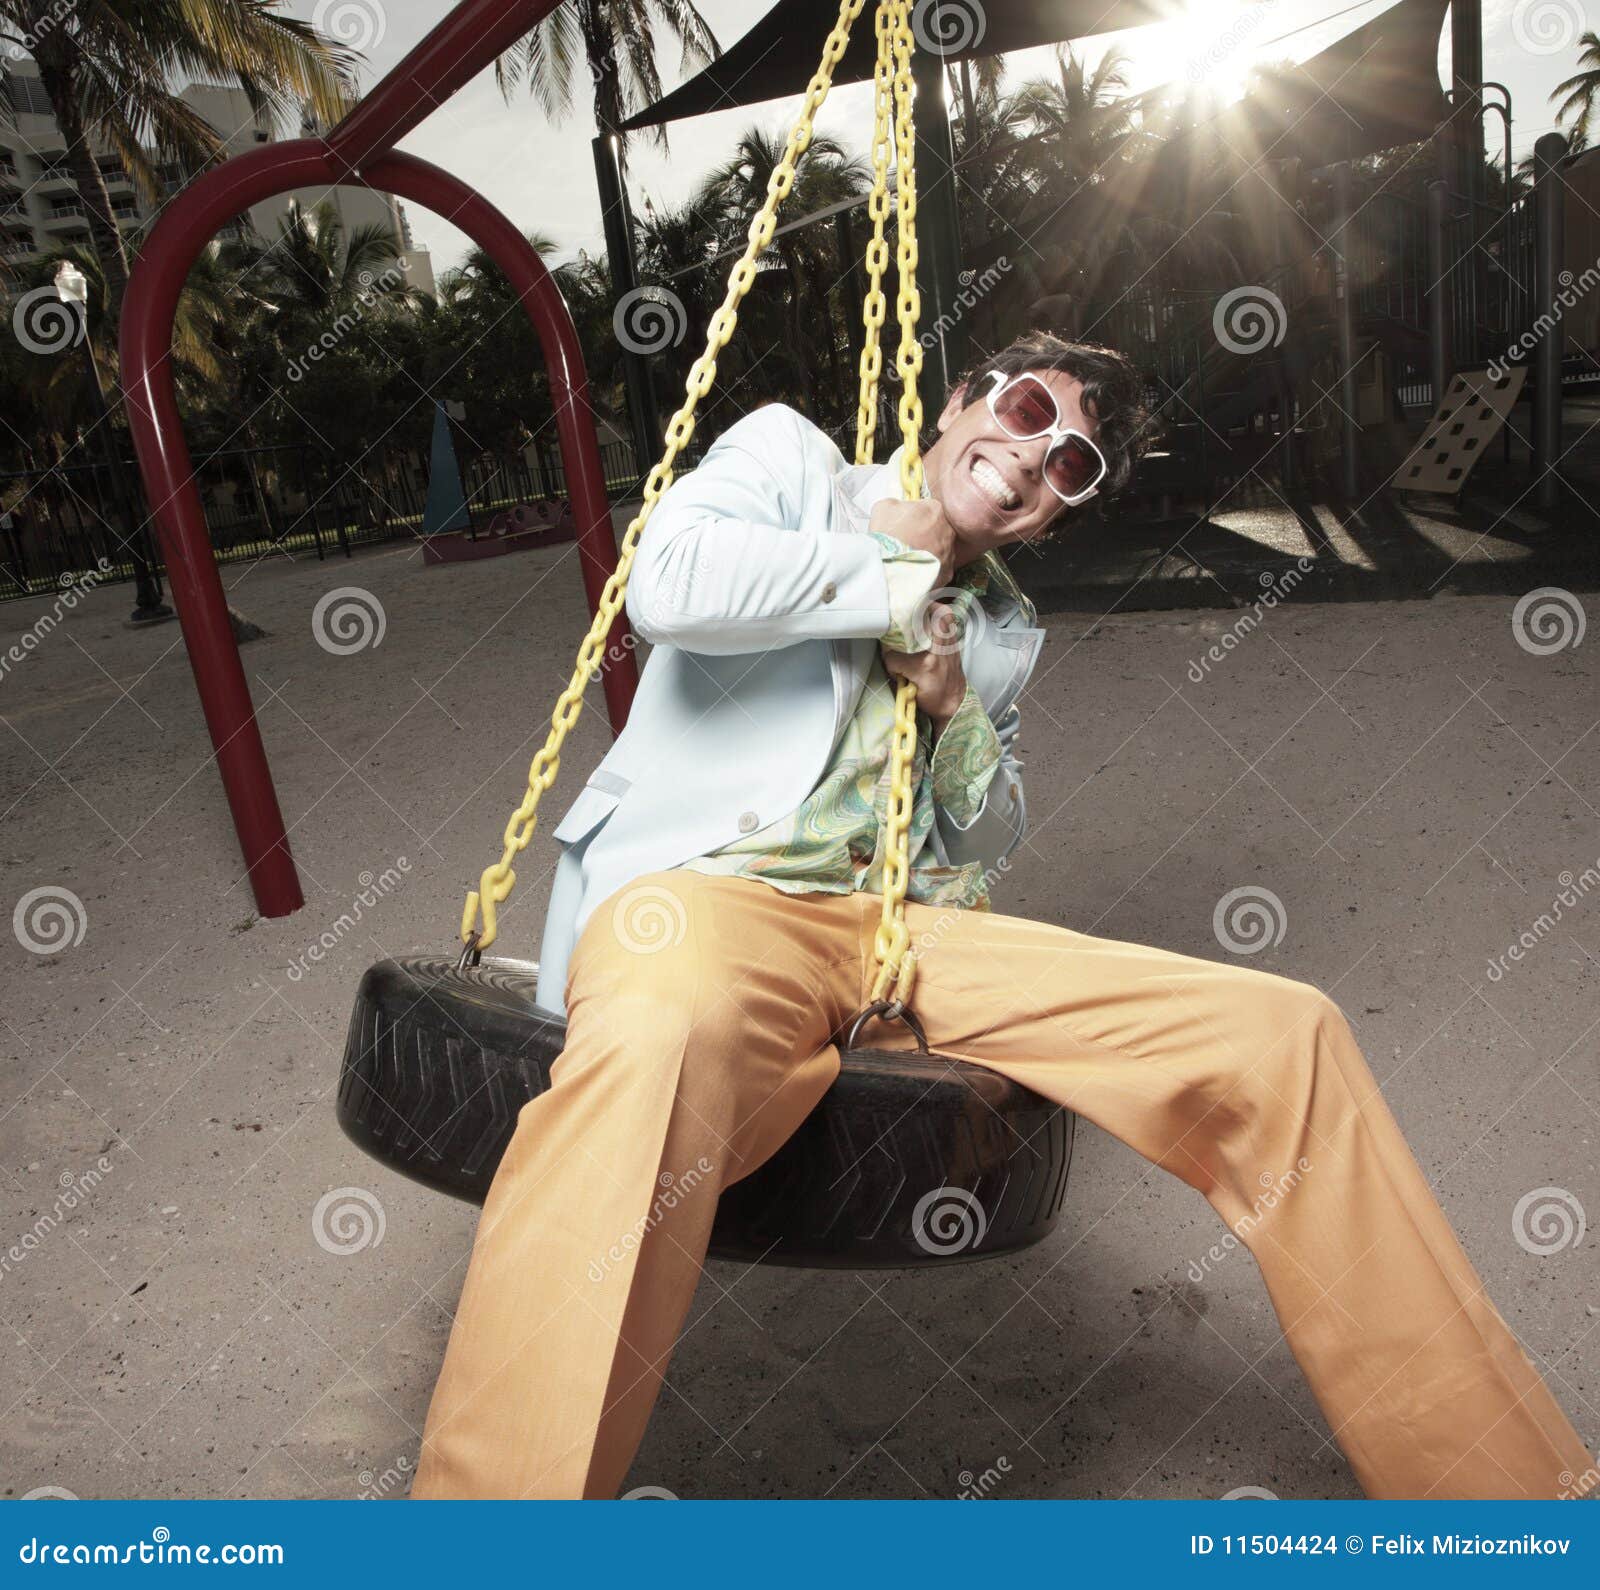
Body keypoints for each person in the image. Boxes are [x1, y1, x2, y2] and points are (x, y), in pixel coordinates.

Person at [411, 331, 1594, 1501]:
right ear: (964, 398)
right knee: (659, 1049)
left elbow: (983, 840)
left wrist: (955, 705)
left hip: (902, 943)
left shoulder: (1002, 626)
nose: (1034, 459)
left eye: (1070, 464)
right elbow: (666, 584)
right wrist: (880, 568)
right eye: (1030, 411)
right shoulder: (793, 464)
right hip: (705, 903)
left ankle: (1510, 1510)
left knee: (1286, 1036)